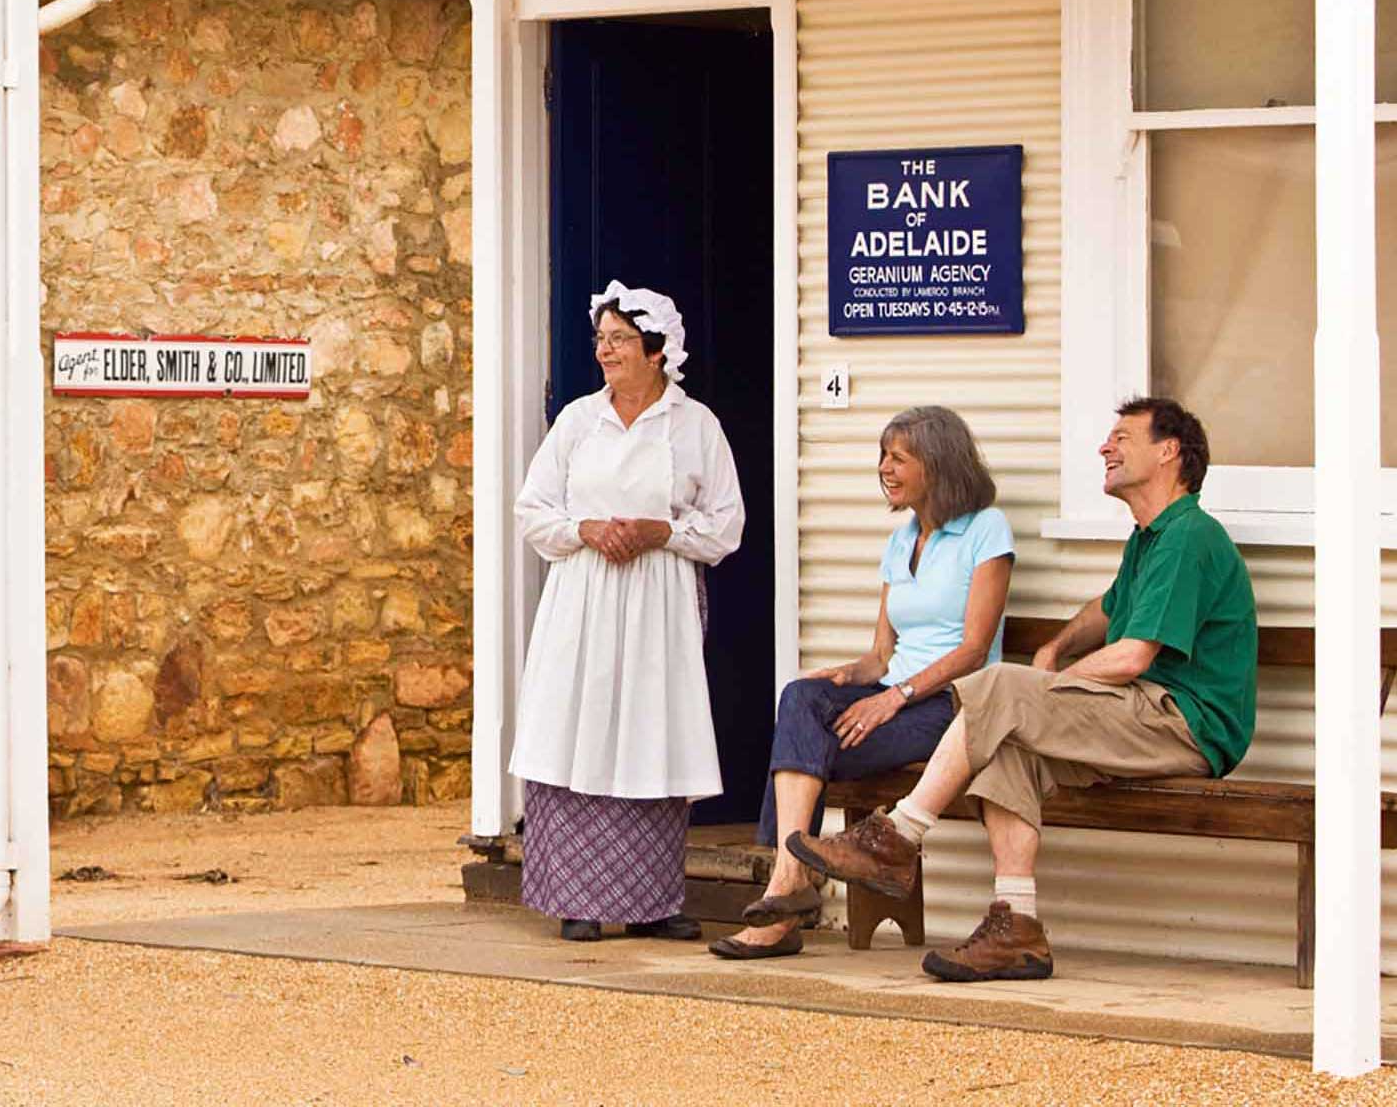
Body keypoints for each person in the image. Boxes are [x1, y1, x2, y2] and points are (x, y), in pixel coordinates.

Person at [791, 397, 1255, 982]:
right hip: (1142, 716)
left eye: (1121, 438)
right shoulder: (1151, 538)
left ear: (1169, 452)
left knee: (1003, 690)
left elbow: (1135, 654)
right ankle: (1018, 930)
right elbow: (1109, 612)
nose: (1104, 448)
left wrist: (1045, 684)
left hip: (1185, 722)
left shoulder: (1189, 536)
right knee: (1010, 751)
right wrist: (1057, 647)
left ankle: (897, 836)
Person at [711, 406, 1012, 961]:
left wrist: (892, 698)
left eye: (899, 458)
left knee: (806, 742)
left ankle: (783, 900)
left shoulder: (986, 530)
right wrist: (852, 676)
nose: (885, 469)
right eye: (883, 456)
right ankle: (789, 879)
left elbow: (973, 650)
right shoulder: (901, 541)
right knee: (801, 697)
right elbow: (882, 654)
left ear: (938, 464)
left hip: (949, 706)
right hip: (895, 698)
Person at [511, 281, 744, 943]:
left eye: (619, 339)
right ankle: (576, 898)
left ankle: (652, 901)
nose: (605, 350)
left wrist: (661, 532)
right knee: (576, 726)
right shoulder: (578, 422)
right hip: (582, 597)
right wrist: (586, 530)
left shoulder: (695, 425)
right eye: (601, 339)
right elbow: (534, 508)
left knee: (652, 729)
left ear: (656, 350)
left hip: (658, 603)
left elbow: (726, 524)